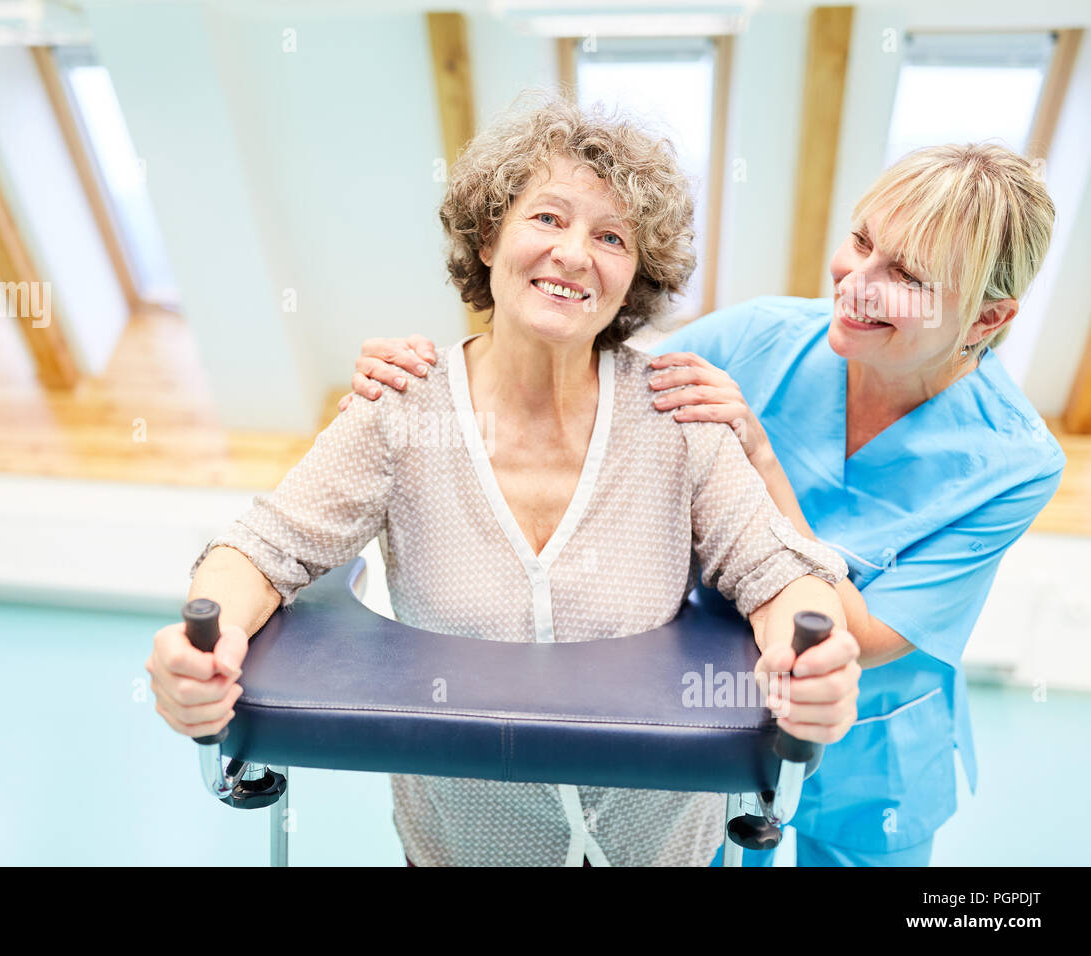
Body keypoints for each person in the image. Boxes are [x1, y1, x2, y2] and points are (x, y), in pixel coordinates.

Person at [147, 93, 863, 867]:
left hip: (657, 846)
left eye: (612, 236)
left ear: (636, 278)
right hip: (462, 846)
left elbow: (778, 571)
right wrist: (205, 640)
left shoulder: (676, 417)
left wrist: (813, 660)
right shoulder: (401, 410)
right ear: (488, 239)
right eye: (547, 219)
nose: (574, 254)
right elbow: (263, 548)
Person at [342, 141, 1066, 866]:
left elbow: (865, 636)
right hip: (716, 703)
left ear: (984, 320)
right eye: (861, 240)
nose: (856, 282)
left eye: (905, 275)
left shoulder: (1013, 462)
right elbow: (586, 379)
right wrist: (432, 374)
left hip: (873, 743)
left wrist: (759, 457)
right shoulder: (756, 336)